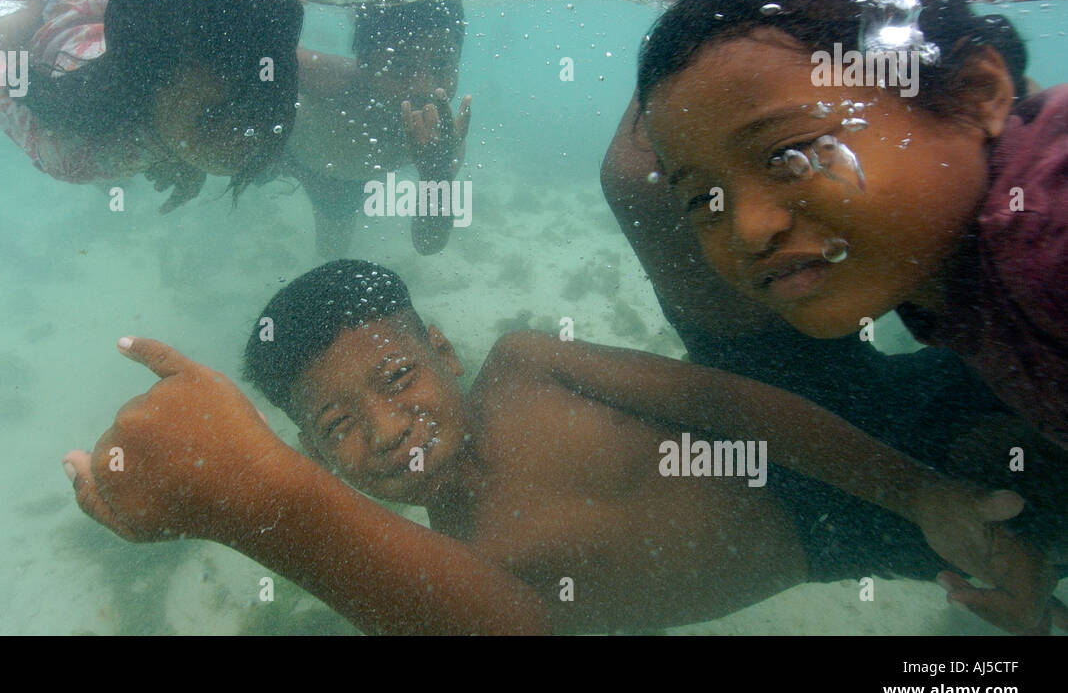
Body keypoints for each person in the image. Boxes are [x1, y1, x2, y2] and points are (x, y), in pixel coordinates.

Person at [63, 261, 1064, 634]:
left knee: (1017, 397)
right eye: (335, 427)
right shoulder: (445, 572)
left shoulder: (528, 366)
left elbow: (729, 405)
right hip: (857, 540)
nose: (384, 428)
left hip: (858, 434)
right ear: (317, 457)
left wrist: (918, 488)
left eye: (398, 377)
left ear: (442, 351)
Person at [629, 0, 1068, 456]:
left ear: (974, 93)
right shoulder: (928, 258)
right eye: (704, 199)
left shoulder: (1046, 237)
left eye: (788, 154)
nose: (750, 231)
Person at [0, 0, 302, 212]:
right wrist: (31, 10)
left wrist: (185, 152)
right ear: (151, 88)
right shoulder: (69, 154)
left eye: (262, 115)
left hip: (130, 9)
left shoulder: (217, 63)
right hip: (61, 12)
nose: (241, 141)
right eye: (209, 118)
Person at [287, 0, 473, 255]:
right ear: (363, 63)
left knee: (331, 251)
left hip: (337, 184)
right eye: (398, 66)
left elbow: (428, 244)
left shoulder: (442, 139)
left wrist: (436, 171)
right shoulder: (328, 78)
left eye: (441, 64)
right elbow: (267, 53)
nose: (423, 87)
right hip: (278, 151)